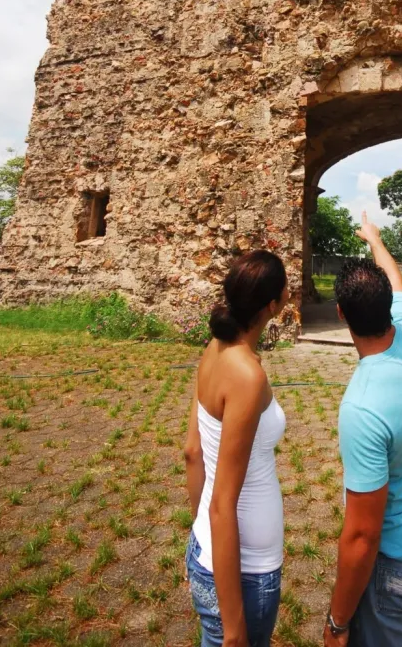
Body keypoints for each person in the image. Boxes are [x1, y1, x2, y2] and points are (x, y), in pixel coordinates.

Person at [324, 213, 402, 647]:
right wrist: (374, 238)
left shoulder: (362, 407)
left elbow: (362, 534)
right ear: (389, 306)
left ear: (341, 314)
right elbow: (396, 279)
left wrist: (337, 622)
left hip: (393, 561)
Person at [184, 250, 289, 647]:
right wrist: (233, 629)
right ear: (273, 305)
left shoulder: (213, 348)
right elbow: (223, 504)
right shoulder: (248, 375)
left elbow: (192, 451)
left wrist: (203, 536)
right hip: (244, 571)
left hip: (207, 550)